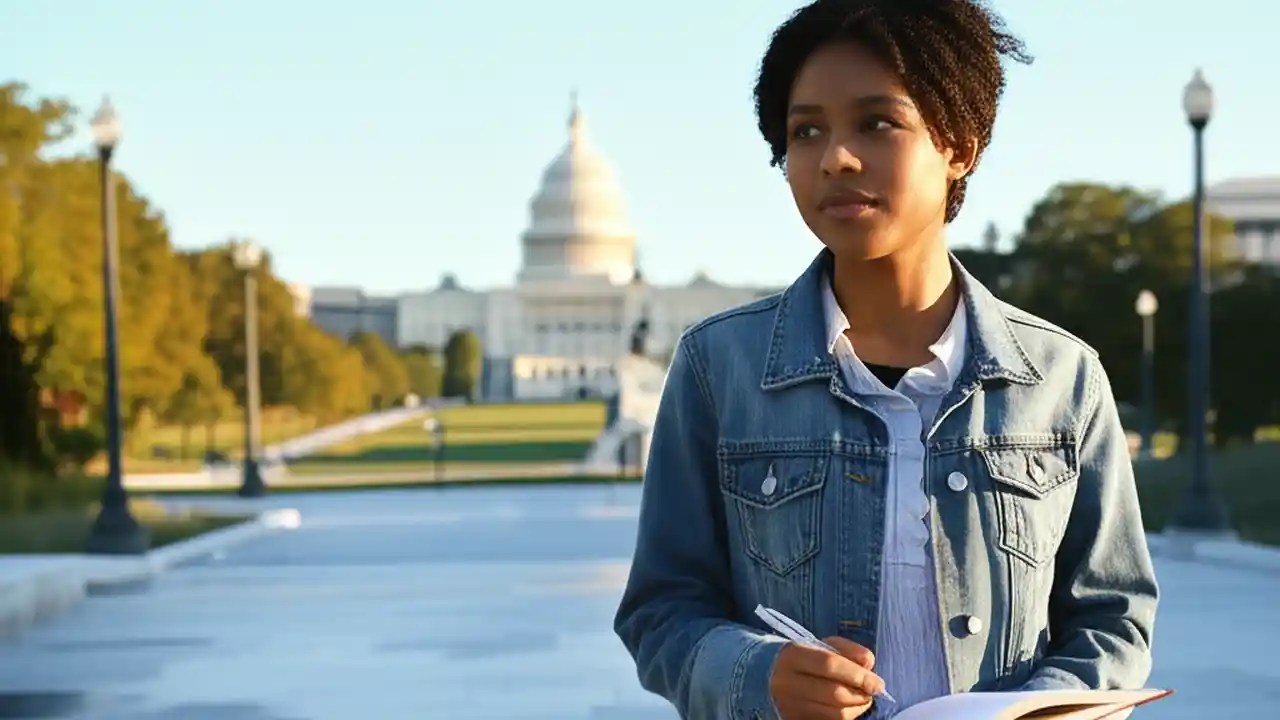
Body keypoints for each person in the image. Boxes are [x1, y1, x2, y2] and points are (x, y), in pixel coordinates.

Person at [612, 1, 1159, 719]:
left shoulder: (1062, 378)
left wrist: (1034, 710)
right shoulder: (720, 368)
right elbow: (661, 613)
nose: (835, 156)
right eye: (806, 130)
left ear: (959, 143)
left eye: (877, 122)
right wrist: (758, 674)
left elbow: (1114, 620)